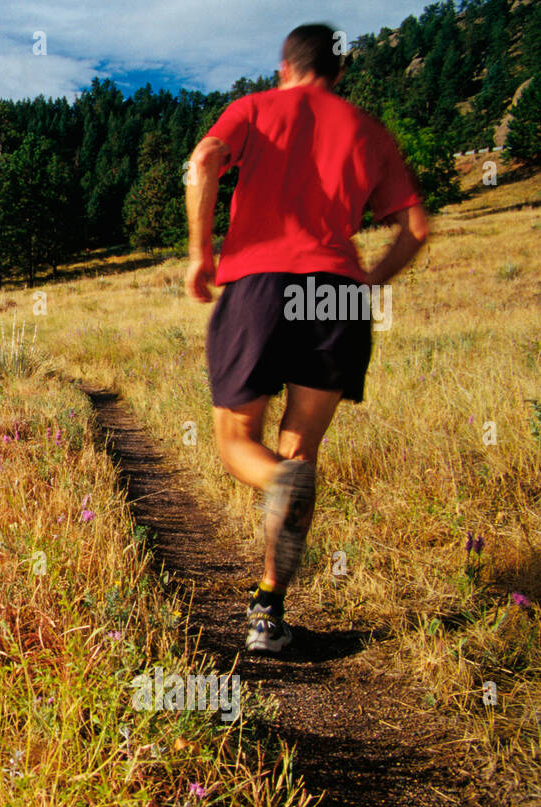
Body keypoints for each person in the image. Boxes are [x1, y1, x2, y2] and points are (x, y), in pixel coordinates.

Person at [184, 22, 429, 652]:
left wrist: (200, 254)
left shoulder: (256, 108)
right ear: (339, 72)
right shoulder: (369, 131)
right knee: (301, 453)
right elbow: (417, 229)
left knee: (240, 440)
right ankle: (269, 609)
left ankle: (276, 486)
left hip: (260, 284)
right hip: (337, 293)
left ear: (283, 67)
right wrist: (369, 279)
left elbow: (204, 160)